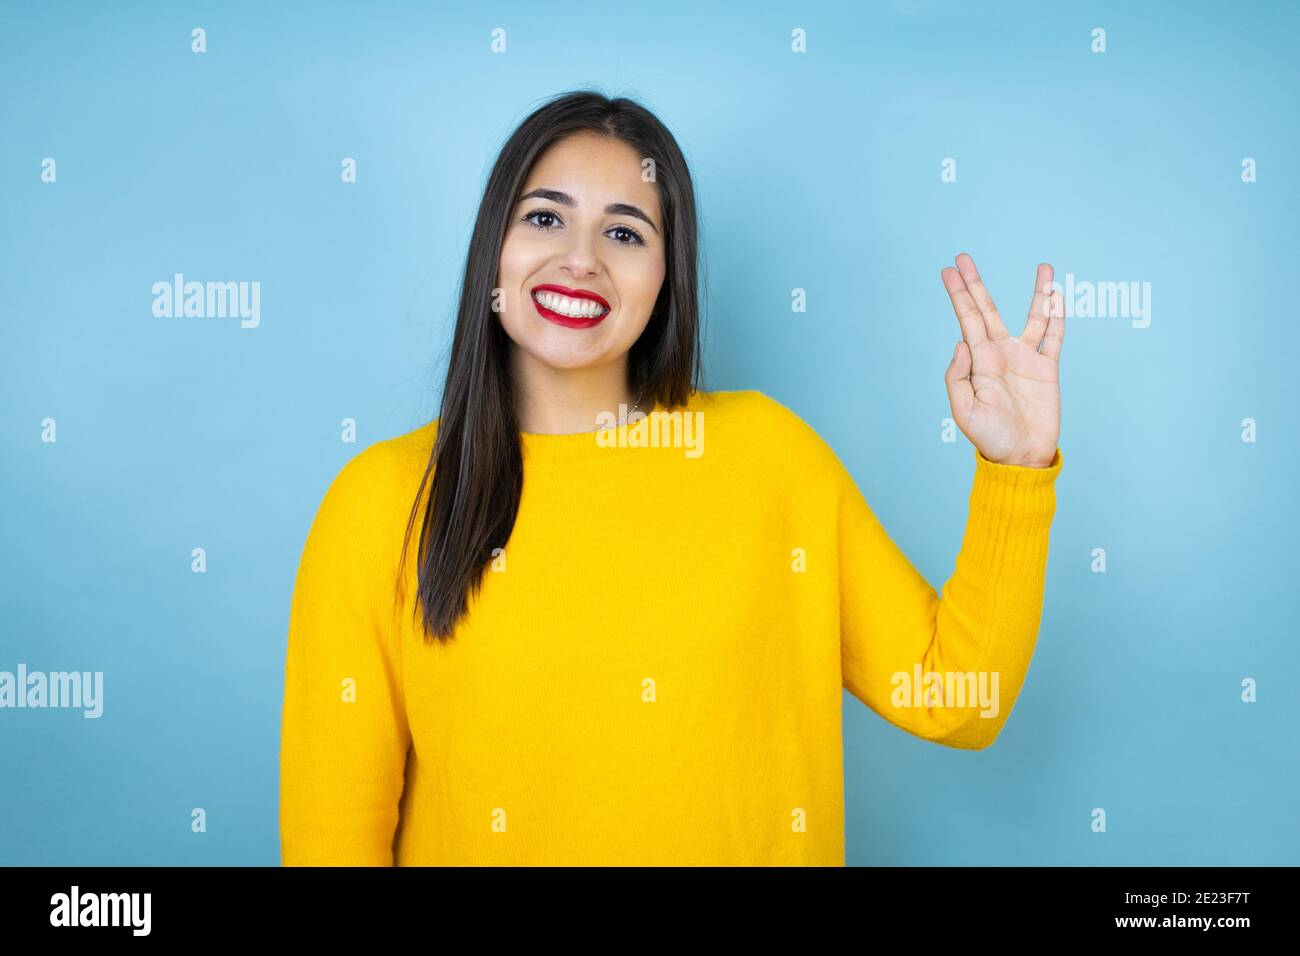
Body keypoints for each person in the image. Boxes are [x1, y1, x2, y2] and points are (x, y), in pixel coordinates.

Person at [279, 89, 1066, 866]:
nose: (580, 259)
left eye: (625, 232)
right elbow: (332, 841)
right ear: (494, 248)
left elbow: (959, 701)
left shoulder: (769, 457)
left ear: (665, 277)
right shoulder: (382, 501)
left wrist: (1017, 467)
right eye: (545, 217)